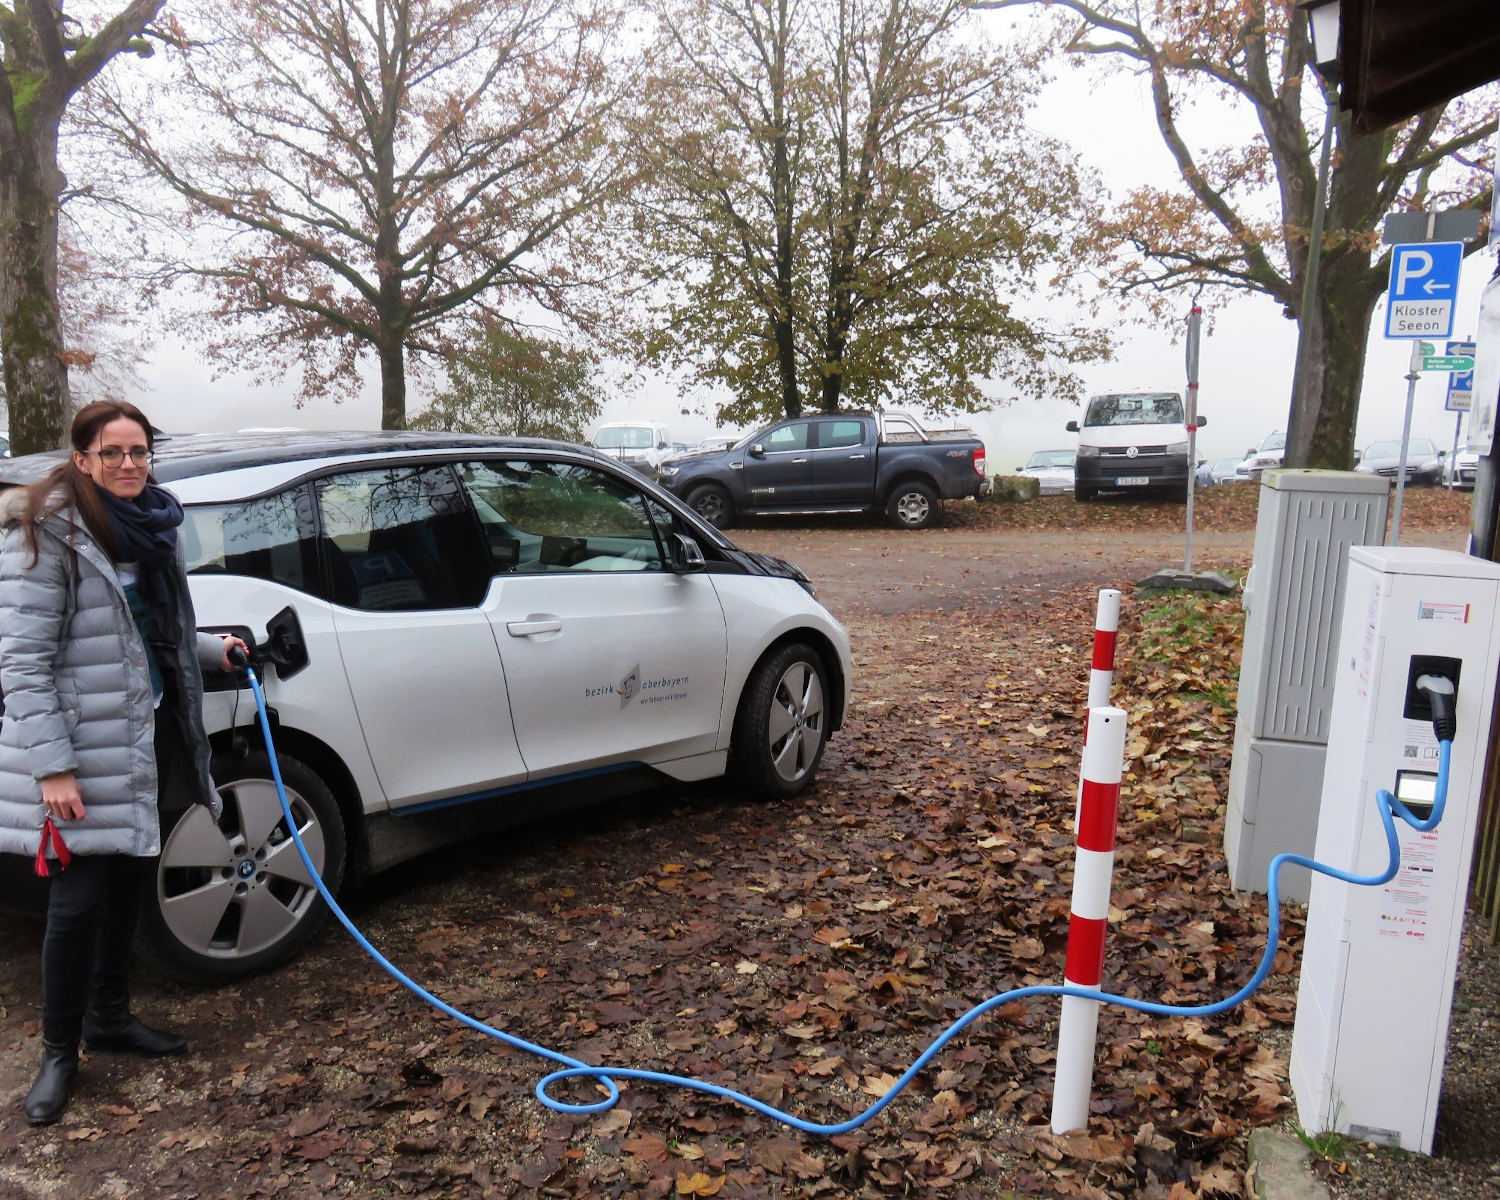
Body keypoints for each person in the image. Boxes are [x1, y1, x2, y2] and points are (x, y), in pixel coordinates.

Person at [0, 402, 247, 1126]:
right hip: (81, 752)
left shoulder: (156, 528)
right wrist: (52, 770)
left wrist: (212, 650)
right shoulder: (47, 535)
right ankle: (58, 1052)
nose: (129, 464)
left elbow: (154, 636)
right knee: (76, 907)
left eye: (138, 451)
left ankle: (111, 1017)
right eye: (111, 452)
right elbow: (21, 662)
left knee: (132, 883)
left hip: (148, 740)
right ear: (82, 459)